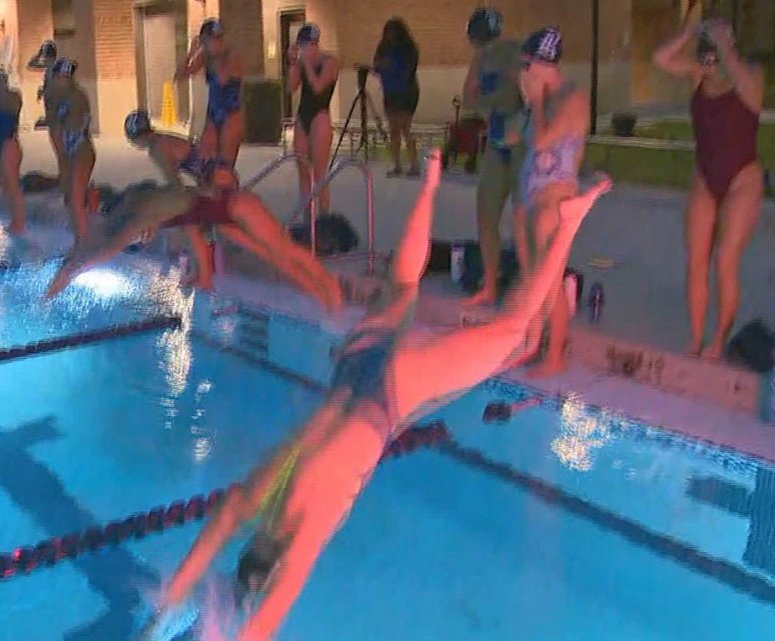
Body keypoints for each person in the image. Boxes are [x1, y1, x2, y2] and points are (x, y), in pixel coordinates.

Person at [138, 151, 612, 641]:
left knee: (514, 329)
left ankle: (570, 221)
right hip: (355, 364)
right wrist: (157, 619)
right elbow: (213, 536)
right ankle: (429, 183)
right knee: (402, 286)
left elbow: (260, 630)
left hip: (394, 388)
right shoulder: (256, 495)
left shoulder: (307, 532)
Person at [42, 166, 343, 310]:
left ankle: (330, 288)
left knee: (285, 251)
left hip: (236, 205)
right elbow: (196, 236)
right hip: (221, 213)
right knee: (272, 256)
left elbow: (108, 249)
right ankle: (324, 298)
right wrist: (204, 279)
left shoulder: (141, 215)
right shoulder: (153, 203)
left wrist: (70, 273)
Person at [653, 17, 763, 359]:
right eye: (707, 62)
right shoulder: (698, 75)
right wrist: (689, 32)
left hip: (742, 178)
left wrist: (724, 44)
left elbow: (738, 74)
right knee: (696, 261)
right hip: (705, 177)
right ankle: (696, 337)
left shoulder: (750, 77)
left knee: (725, 260)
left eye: (716, 62)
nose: (710, 70)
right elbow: (660, 58)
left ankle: (717, 341)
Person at [516, 27, 589, 377]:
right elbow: (524, 139)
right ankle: (535, 345)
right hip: (533, 196)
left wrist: (536, 100)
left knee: (551, 282)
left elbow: (543, 141)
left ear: (542, 64)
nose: (524, 72)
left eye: (527, 65)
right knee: (534, 279)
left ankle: (556, 354)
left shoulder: (572, 98)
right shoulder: (544, 98)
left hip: (556, 199)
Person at [462, 7, 529, 307]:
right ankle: (492, 284)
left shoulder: (517, 53)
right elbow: (469, 98)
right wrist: (490, 107)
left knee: (519, 219)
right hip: (499, 143)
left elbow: (534, 98)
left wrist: (492, 106)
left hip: (519, 145)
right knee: (490, 215)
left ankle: (524, 286)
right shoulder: (483, 59)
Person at [176, 19, 245, 168]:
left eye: (219, 39)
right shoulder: (205, 57)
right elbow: (180, 76)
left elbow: (222, 79)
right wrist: (190, 54)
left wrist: (213, 56)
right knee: (205, 162)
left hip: (230, 114)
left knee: (225, 166)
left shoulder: (231, 56)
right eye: (212, 39)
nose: (216, 43)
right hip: (213, 114)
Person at [287, 24, 339, 215]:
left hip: (320, 116)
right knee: (302, 169)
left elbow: (318, 88)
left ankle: (324, 217)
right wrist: (293, 64)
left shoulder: (330, 61)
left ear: (315, 44)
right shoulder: (302, 63)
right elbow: (290, 88)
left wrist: (307, 64)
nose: (306, 50)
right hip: (304, 115)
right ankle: (307, 216)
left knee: (319, 173)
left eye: (308, 45)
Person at [48, 57, 95, 244]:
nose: (55, 81)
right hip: (69, 151)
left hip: (81, 149)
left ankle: (83, 242)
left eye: (58, 78)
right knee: (70, 198)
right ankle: (79, 237)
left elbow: (73, 124)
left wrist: (58, 121)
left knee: (76, 199)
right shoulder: (59, 98)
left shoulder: (77, 97)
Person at [373, 18, 421, 177]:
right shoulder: (383, 47)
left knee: (405, 128)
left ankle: (414, 164)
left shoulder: (408, 48)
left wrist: (390, 65)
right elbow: (376, 65)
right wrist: (382, 66)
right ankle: (397, 164)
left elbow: (408, 70)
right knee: (393, 129)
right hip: (390, 91)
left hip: (406, 91)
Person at [124, 109, 221, 187]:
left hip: (215, 175)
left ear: (139, 137)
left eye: (132, 140)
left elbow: (175, 186)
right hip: (216, 167)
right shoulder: (161, 137)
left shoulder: (157, 150)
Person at [0, 71, 27, 234]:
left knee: (13, 186)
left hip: (10, 144)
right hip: (0, 145)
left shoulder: (12, 97)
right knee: (6, 186)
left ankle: (19, 223)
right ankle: (14, 220)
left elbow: (10, 106)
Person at [27, 39, 59, 128]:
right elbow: (31, 65)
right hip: (49, 96)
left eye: (45, 56)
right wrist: (39, 54)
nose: (44, 59)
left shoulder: (56, 66)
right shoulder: (48, 66)